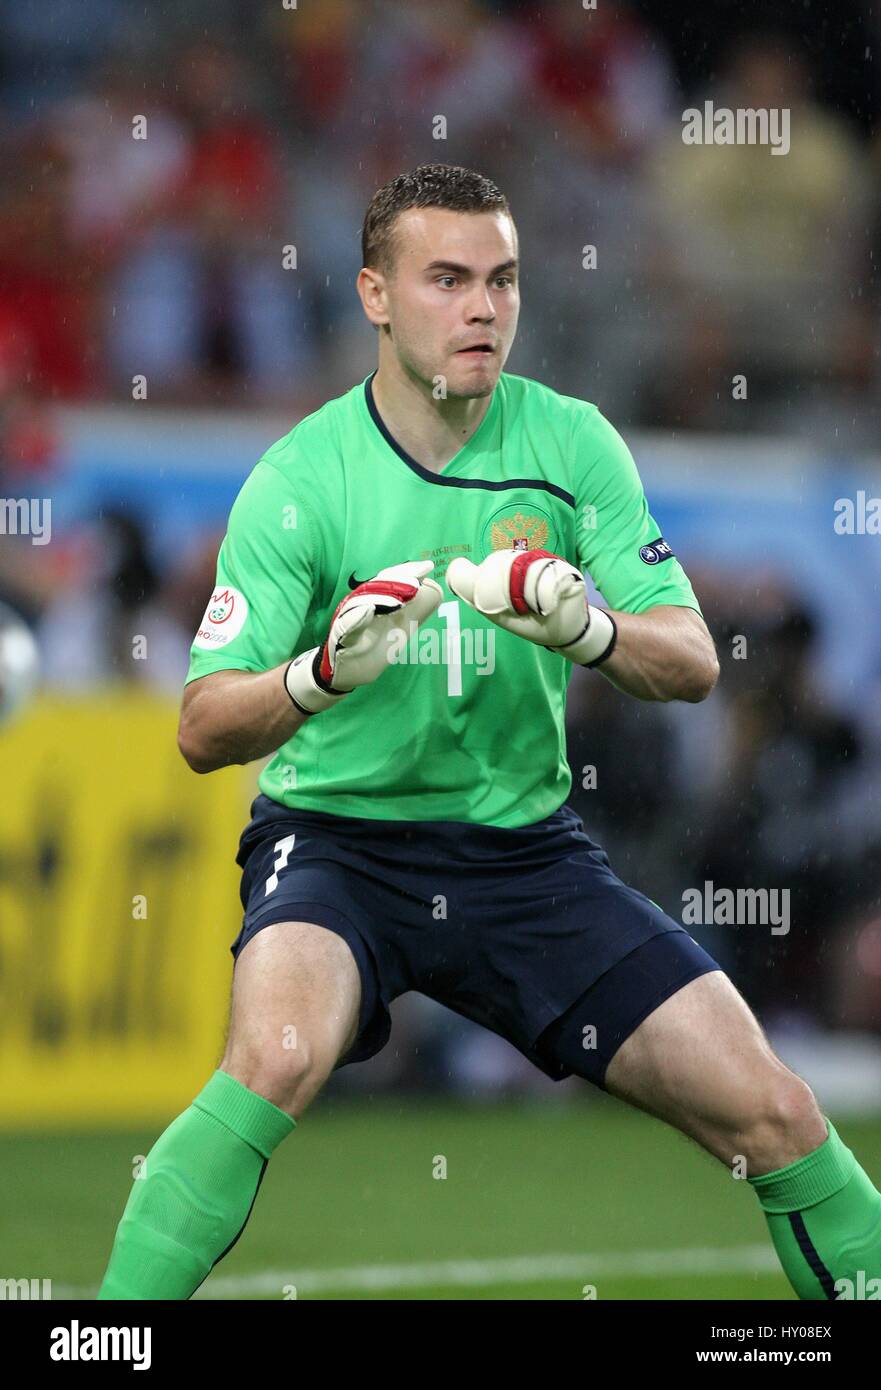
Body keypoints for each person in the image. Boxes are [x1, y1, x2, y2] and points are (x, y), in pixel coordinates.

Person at [99, 163, 881, 1301]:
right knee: (269, 1060)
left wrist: (589, 627)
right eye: (447, 279)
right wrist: (318, 675)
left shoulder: (570, 445)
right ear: (373, 295)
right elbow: (202, 726)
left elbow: (693, 661)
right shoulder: (300, 479)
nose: (482, 309)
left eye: (502, 280)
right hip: (337, 845)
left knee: (776, 1111)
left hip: (523, 856)